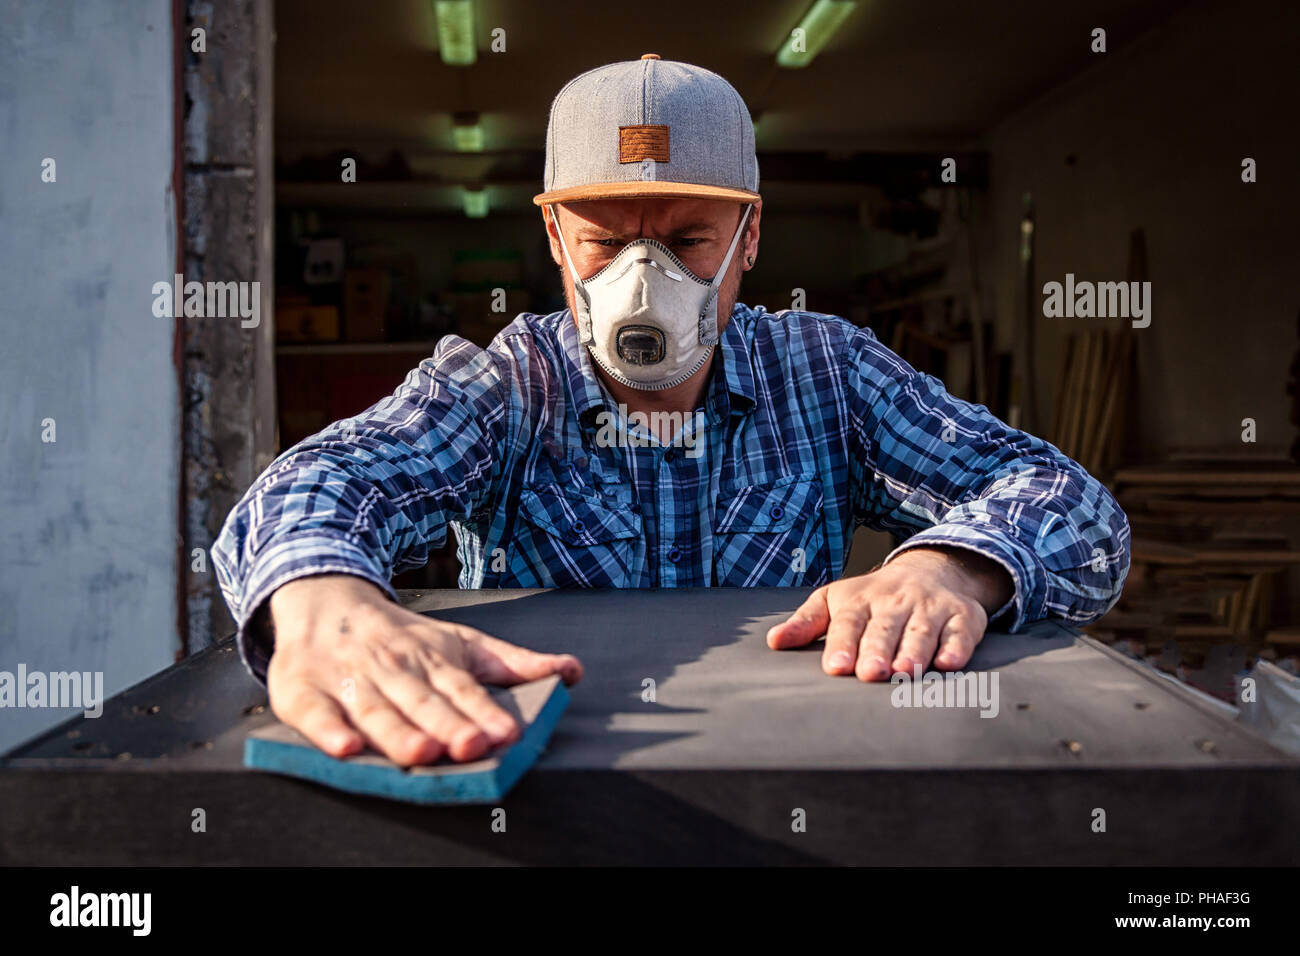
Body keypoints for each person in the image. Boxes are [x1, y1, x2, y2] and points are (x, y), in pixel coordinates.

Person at [213, 54, 1129, 767]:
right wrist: (325, 601)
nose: (641, 285)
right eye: (605, 243)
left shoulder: (828, 375)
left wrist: (948, 571)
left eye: (689, 240)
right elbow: (324, 480)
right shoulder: (505, 389)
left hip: (791, 785)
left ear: (751, 235)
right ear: (554, 238)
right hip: (549, 797)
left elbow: (1074, 507)